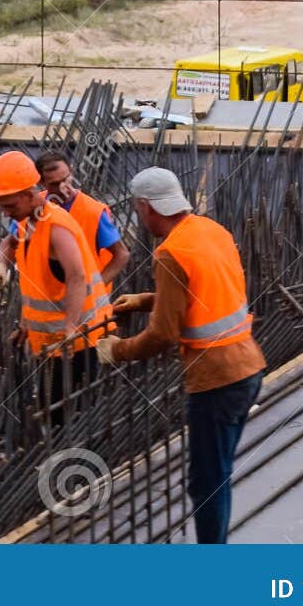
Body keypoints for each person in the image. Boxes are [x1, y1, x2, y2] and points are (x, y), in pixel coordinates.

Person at [95, 167, 265, 544]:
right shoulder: (211, 231)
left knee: (207, 481)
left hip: (216, 380)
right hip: (248, 367)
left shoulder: (170, 252)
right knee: (217, 472)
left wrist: (117, 350)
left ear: (146, 206)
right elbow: (205, 295)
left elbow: (164, 334)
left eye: (139, 211)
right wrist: (145, 300)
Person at [0, 150, 112, 424]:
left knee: (66, 417)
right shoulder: (29, 221)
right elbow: (39, 282)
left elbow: (76, 276)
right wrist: (0, 268)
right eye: (1, 205)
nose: (6, 212)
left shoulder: (55, 225)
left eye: (10, 205)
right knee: (52, 412)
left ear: (30, 194)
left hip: (79, 342)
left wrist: (71, 330)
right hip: (53, 343)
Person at [0, 149, 129, 296]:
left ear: (71, 171)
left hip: (85, 309)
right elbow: (10, 242)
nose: (64, 187)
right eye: (55, 183)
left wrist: (95, 289)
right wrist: (0, 264)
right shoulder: (29, 207)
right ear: (41, 182)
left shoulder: (93, 211)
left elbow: (121, 254)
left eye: (66, 179)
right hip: (43, 305)